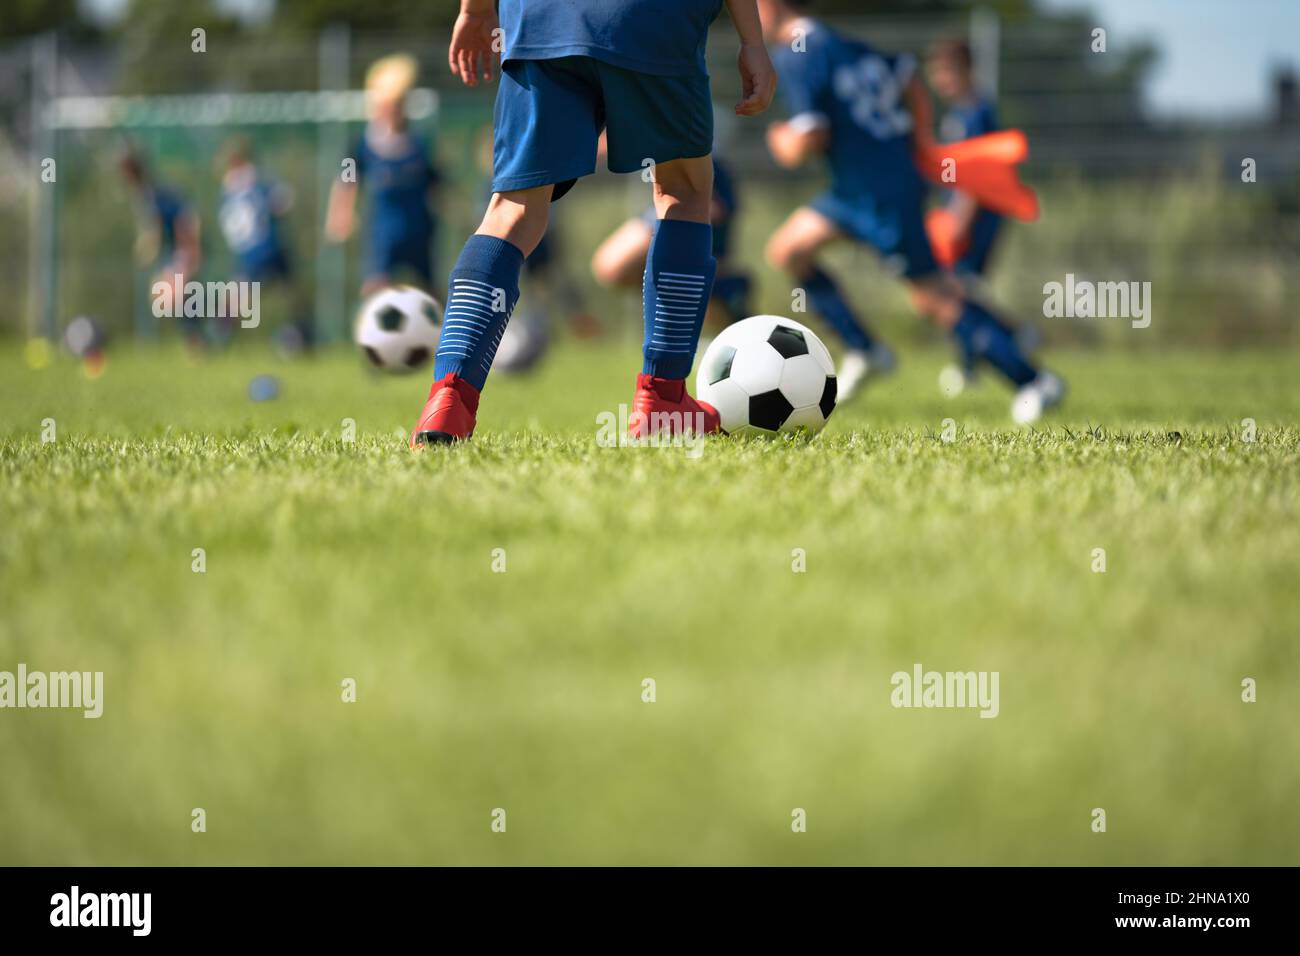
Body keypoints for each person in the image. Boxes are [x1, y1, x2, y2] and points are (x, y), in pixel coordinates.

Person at [408, 0, 776, 446]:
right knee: (685, 190)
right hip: (651, 22)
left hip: (540, 23)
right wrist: (753, 42)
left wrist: (474, 11)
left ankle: (450, 398)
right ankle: (662, 401)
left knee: (512, 209)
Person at [759, 0, 1063, 422]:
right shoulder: (847, 44)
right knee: (788, 250)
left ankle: (1032, 379)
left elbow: (809, 137)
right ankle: (865, 350)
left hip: (879, 194)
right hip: (856, 190)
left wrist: (781, 142)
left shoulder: (796, 55)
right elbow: (908, 78)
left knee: (936, 299)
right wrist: (918, 140)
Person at [591, 143, 753, 329]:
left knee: (614, 266)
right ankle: (720, 287)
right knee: (611, 268)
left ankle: (719, 287)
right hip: (669, 184)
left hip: (690, 171)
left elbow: (716, 211)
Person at [326, 54, 442, 297]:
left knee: (431, 290)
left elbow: (435, 181)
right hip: (383, 230)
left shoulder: (419, 144)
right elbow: (346, 178)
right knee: (376, 287)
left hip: (420, 228)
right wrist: (341, 212)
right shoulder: (360, 145)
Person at [216, 137, 314, 351]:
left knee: (241, 297)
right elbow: (284, 202)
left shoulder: (228, 189)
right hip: (268, 247)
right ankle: (306, 335)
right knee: (292, 294)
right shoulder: (257, 181)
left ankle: (220, 338)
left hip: (249, 252)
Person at [119, 146, 203, 344]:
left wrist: (147, 250)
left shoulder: (152, 193)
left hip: (182, 249)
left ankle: (202, 334)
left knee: (166, 296)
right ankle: (196, 339)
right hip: (176, 251)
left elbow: (181, 220)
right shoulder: (147, 192)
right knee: (170, 297)